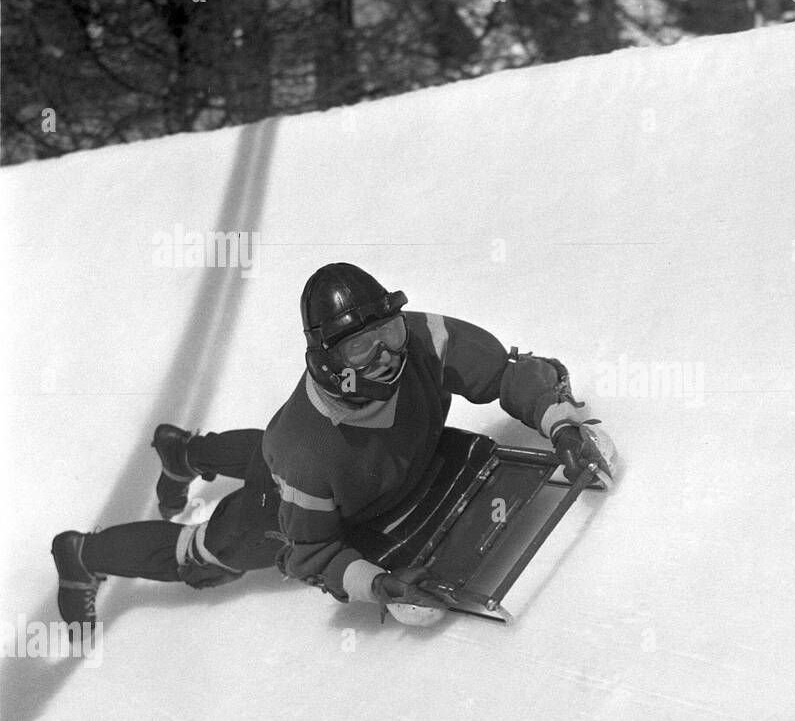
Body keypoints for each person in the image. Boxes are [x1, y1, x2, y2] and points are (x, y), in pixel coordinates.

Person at [52, 262, 613, 627]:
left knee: (276, 458)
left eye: (388, 331)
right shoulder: (305, 454)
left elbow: (505, 372)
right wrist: (377, 584)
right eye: (362, 348)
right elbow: (313, 555)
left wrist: (560, 423)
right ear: (328, 360)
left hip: (320, 470)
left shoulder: (423, 337)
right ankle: (81, 553)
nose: (388, 353)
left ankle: (187, 453)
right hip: (279, 507)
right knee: (204, 556)